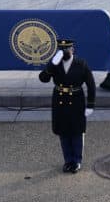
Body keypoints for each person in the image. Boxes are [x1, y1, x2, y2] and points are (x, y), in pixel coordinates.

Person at [38, 38, 95, 173]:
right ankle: (68, 161)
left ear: (72, 50)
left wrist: (90, 105)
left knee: (76, 132)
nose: (65, 52)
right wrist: (51, 64)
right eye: (62, 50)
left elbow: (91, 84)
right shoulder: (55, 65)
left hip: (76, 101)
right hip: (60, 101)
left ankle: (77, 161)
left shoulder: (80, 64)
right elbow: (43, 79)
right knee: (63, 132)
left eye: (67, 50)